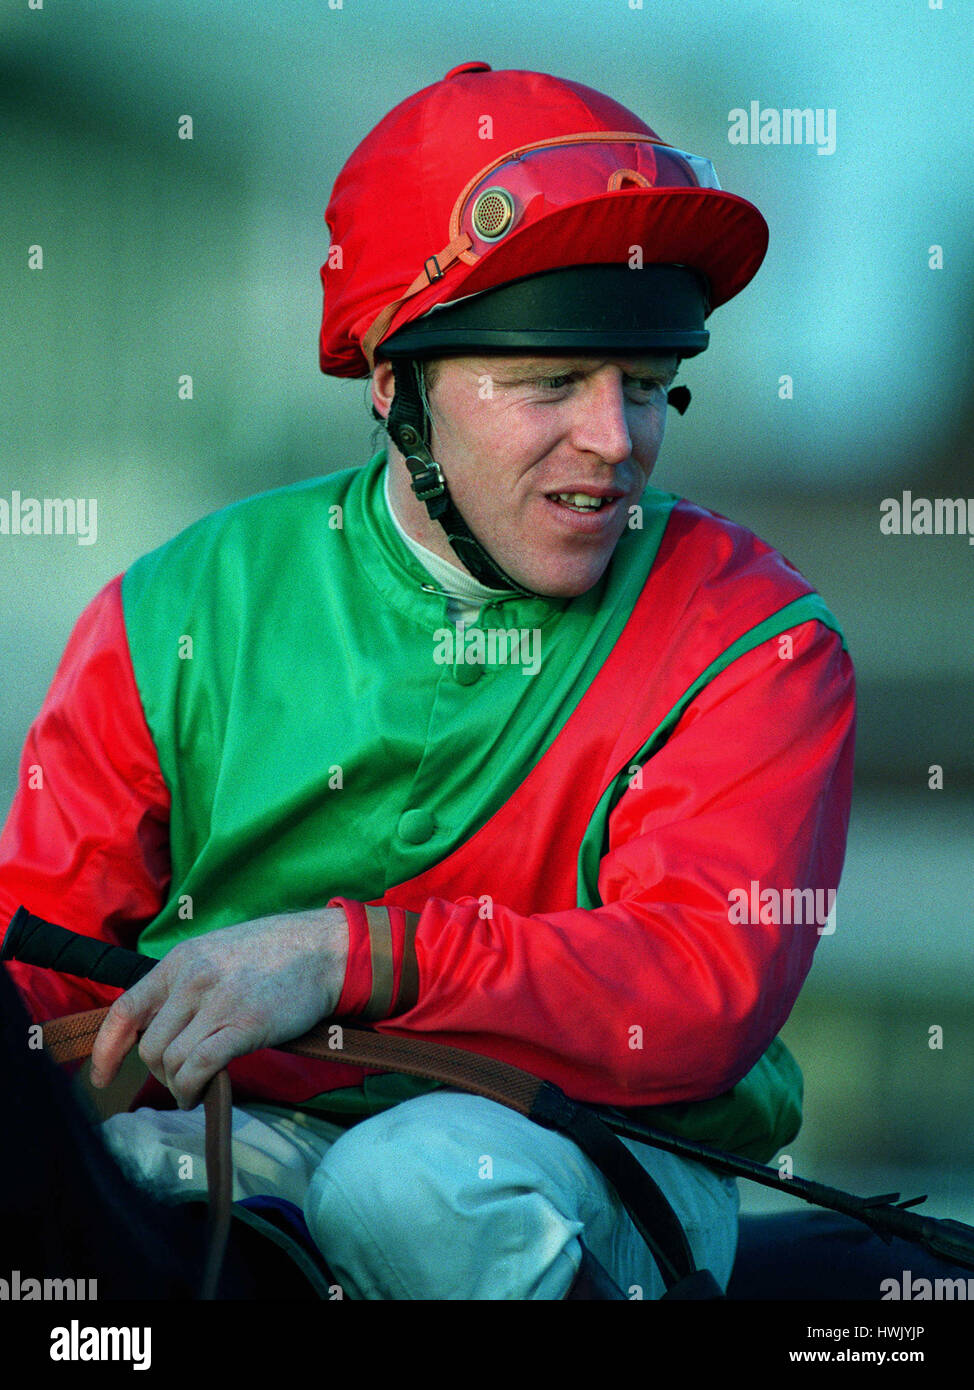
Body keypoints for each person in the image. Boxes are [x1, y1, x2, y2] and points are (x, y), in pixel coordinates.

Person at [0, 62, 855, 1300]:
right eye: (551, 383)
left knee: (415, 1188)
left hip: (598, 1153)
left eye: (640, 380)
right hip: (244, 1125)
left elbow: (694, 987)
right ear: (396, 390)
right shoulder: (174, 609)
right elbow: (46, 974)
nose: (614, 441)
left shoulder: (756, 634)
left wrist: (347, 956)